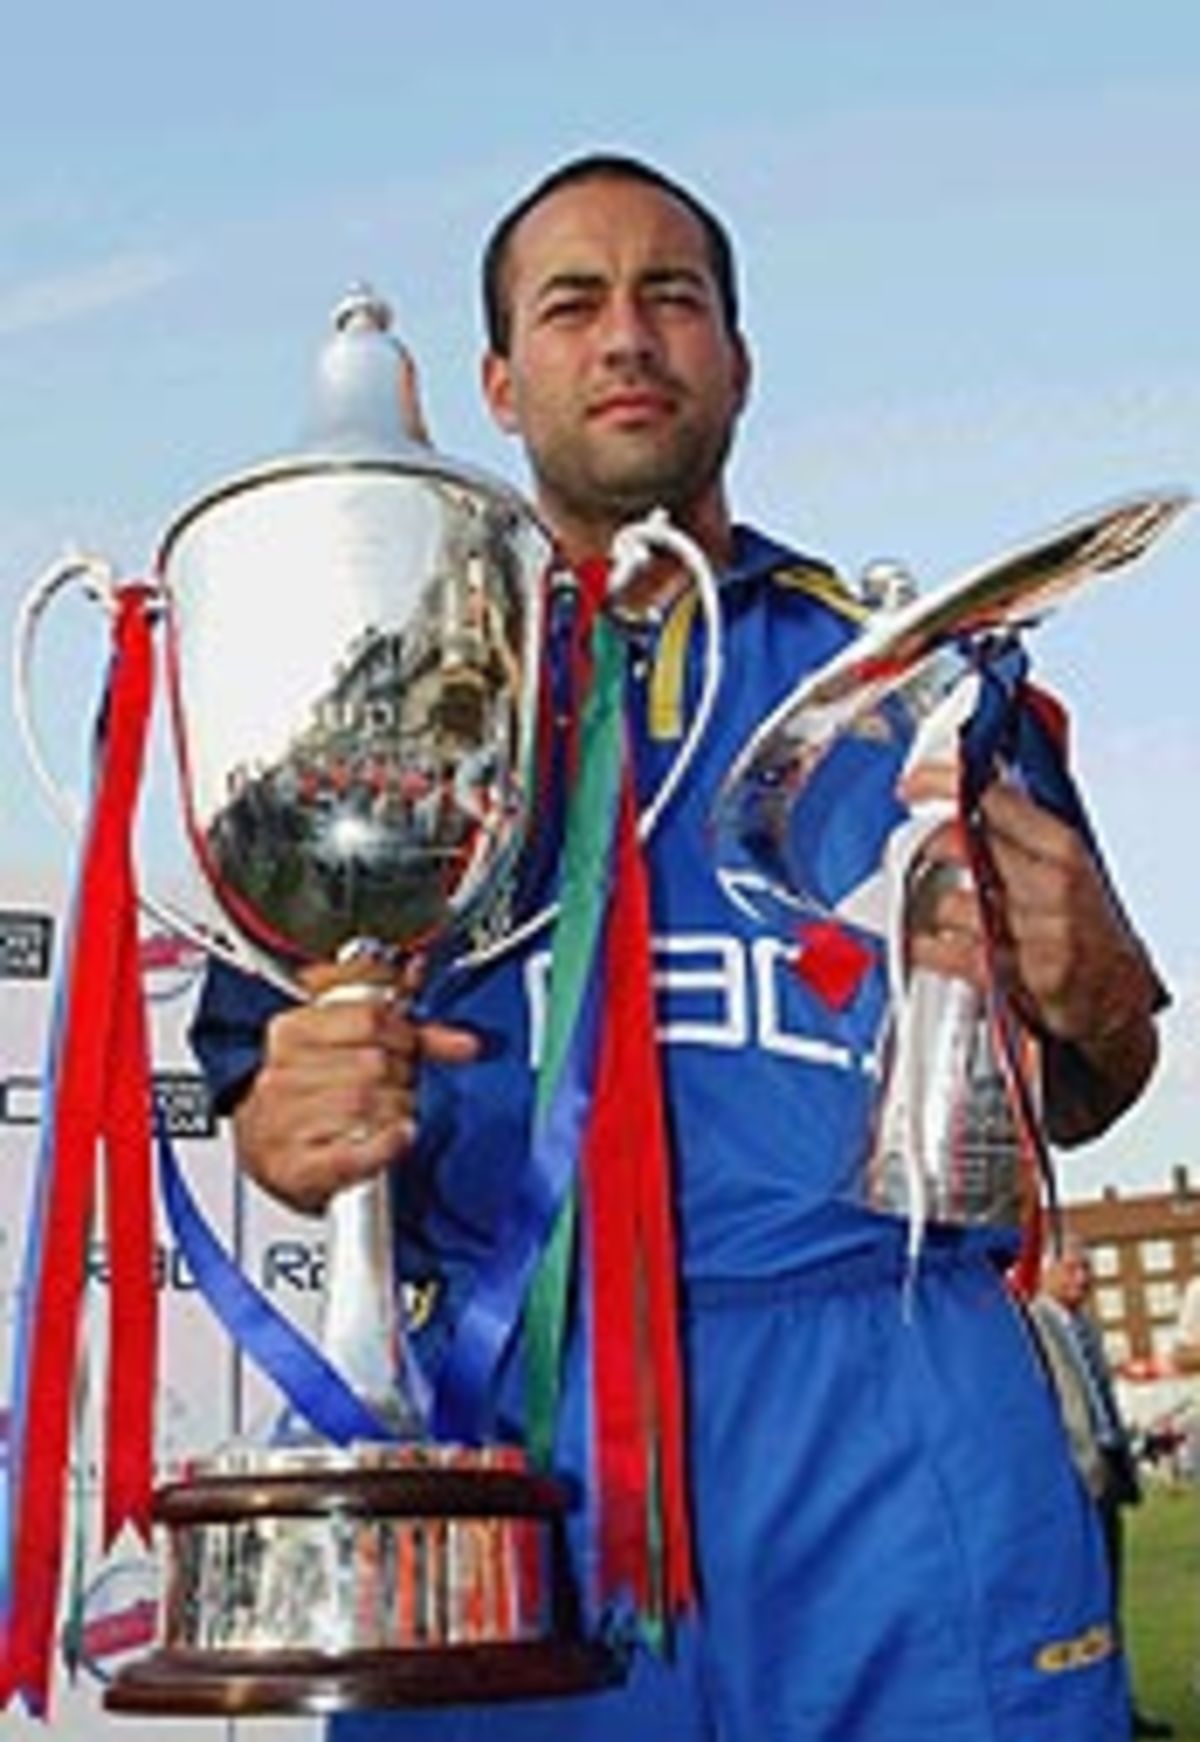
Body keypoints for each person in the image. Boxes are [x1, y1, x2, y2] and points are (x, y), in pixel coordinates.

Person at [191, 154, 1168, 1741]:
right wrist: (292, 1122)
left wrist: (1105, 993)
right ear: (503, 383)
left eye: (674, 297)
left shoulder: (916, 685)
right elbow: (273, 1106)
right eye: (573, 304)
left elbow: (1087, 1090)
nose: (628, 336)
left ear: (738, 357)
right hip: (519, 1428)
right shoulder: (368, 715)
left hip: (896, 1410)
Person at [1031, 1235, 1173, 1739]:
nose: (1084, 1278)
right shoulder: (1032, 1327)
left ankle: (1120, 1707)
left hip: (1108, 1477)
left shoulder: (1086, 1327)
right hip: (1070, 1486)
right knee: (1079, 1604)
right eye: (1072, 1268)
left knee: (1109, 1599)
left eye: (1087, 1269)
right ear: (1045, 1271)